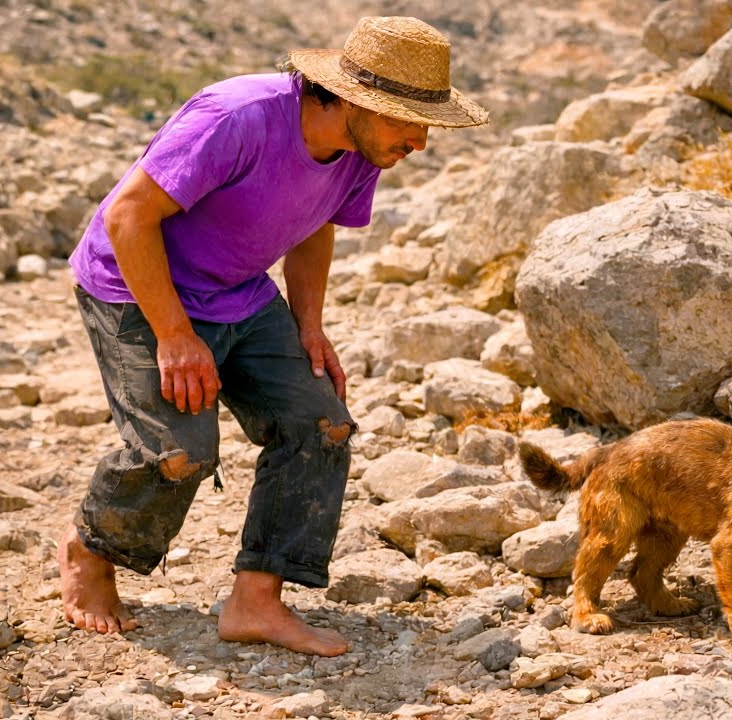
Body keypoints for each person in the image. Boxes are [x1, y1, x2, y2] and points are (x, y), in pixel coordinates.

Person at [60, 16, 488, 657]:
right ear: (353, 99)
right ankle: (90, 551)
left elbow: (318, 222)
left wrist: (309, 325)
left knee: (320, 422)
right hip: (138, 288)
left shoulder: (363, 148)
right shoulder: (238, 116)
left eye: (425, 122)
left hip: (239, 290)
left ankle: (255, 601)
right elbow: (128, 215)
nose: (420, 141)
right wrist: (175, 335)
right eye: (408, 119)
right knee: (179, 452)